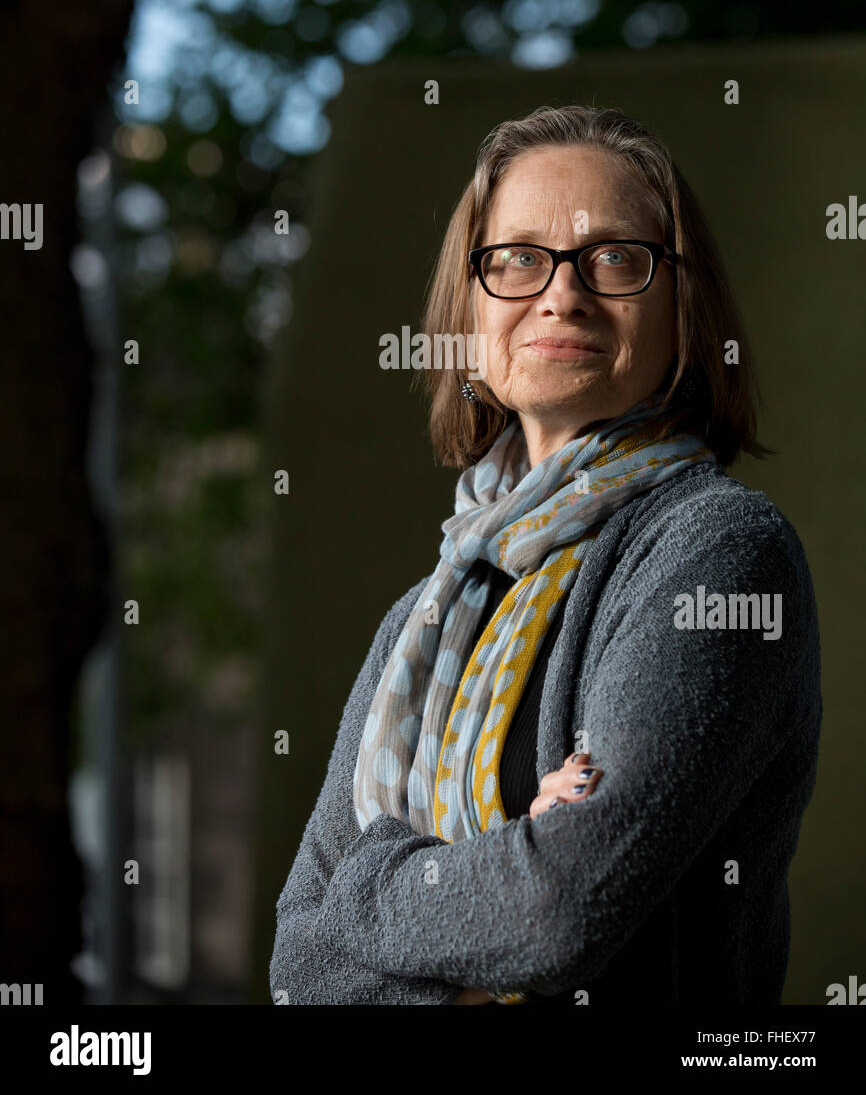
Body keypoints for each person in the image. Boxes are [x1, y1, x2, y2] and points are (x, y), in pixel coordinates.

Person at [269, 104, 821, 1006]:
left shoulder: (719, 555)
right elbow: (300, 967)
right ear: (470, 308)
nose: (561, 294)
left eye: (614, 258)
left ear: (686, 308)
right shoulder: (423, 613)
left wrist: (370, 887)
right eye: (518, 258)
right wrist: (497, 877)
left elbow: (557, 915)